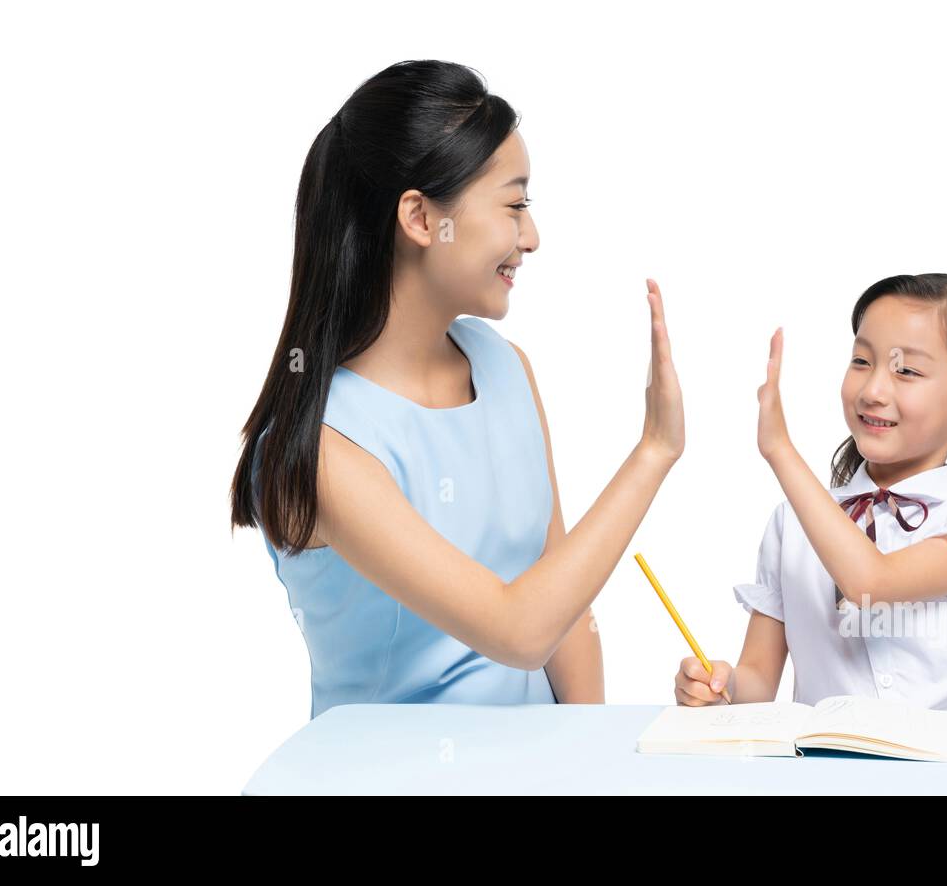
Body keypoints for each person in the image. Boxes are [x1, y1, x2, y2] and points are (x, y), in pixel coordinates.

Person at [229, 60, 685, 719]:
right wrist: (654, 451)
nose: (531, 236)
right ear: (419, 217)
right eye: (514, 204)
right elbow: (520, 629)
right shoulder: (320, 451)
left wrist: (591, 761)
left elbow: (562, 603)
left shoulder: (506, 368)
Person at [676, 273, 947, 712]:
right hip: (831, 772)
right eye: (860, 361)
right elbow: (759, 677)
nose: (872, 390)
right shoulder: (792, 523)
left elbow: (872, 583)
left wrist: (780, 451)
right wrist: (722, 685)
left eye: (906, 370)